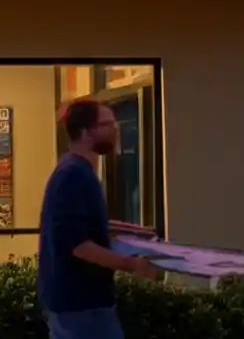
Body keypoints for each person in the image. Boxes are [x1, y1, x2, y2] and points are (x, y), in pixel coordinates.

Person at [39, 100, 159, 339]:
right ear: (85, 133)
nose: (116, 129)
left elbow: (83, 225)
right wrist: (132, 264)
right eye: (107, 124)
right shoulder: (73, 175)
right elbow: (78, 245)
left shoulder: (77, 170)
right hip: (81, 305)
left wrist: (135, 232)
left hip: (79, 303)